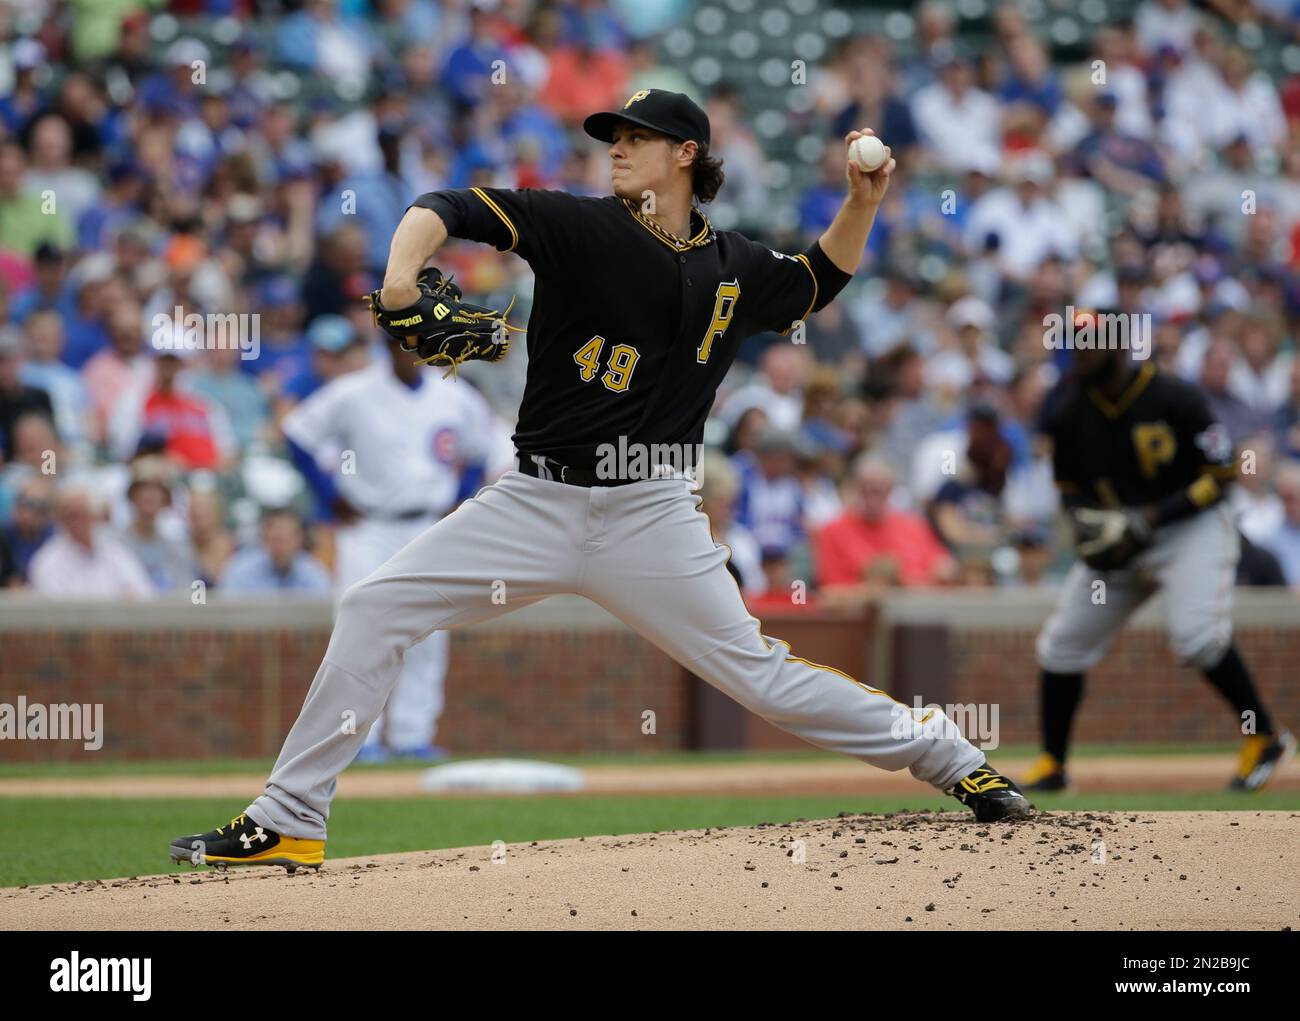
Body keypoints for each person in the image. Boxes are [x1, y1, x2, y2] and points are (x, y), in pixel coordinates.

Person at [171, 91, 1029, 873]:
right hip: (534, 501)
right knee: (373, 605)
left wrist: (862, 203)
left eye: (637, 136)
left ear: (686, 153)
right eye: (612, 135)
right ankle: (289, 816)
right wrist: (400, 278)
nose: (617, 146)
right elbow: (447, 207)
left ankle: (952, 759)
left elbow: (813, 284)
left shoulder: (732, 262)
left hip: (652, 515)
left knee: (758, 674)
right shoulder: (579, 227)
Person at [1025, 327, 1295, 794]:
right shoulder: (1071, 408)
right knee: (1061, 646)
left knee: (1197, 639)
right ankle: (1053, 763)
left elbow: (1223, 475)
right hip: (1122, 542)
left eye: (1094, 345)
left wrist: (1151, 517)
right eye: (1079, 346)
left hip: (1190, 530)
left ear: (1120, 347)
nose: (1084, 355)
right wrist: (1092, 529)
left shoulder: (1174, 396)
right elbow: (1070, 493)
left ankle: (1265, 737)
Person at [281, 332, 500, 762]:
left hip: (429, 523)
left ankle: (412, 736)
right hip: (368, 525)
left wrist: (461, 495)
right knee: (360, 630)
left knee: (431, 631)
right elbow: (296, 434)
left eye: (420, 344)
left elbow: (480, 450)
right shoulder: (354, 391)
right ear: (388, 347)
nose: (413, 352)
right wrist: (328, 495)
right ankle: (360, 737)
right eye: (404, 344)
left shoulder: (455, 394)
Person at [28, 483, 155, 599]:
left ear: (95, 516)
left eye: (85, 514)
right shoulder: (48, 560)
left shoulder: (114, 549)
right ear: (60, 519)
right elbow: (56, 610)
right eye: (72, 515)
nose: (79, 521)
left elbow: (143, 592)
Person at [219, 507, 332, 595]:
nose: (282, 547)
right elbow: (228, 614)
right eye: (276, 539)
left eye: (287, 539)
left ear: (299, 539)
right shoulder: (240, 570)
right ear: (264, 538)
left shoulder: (313, 571)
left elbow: (325, 611)